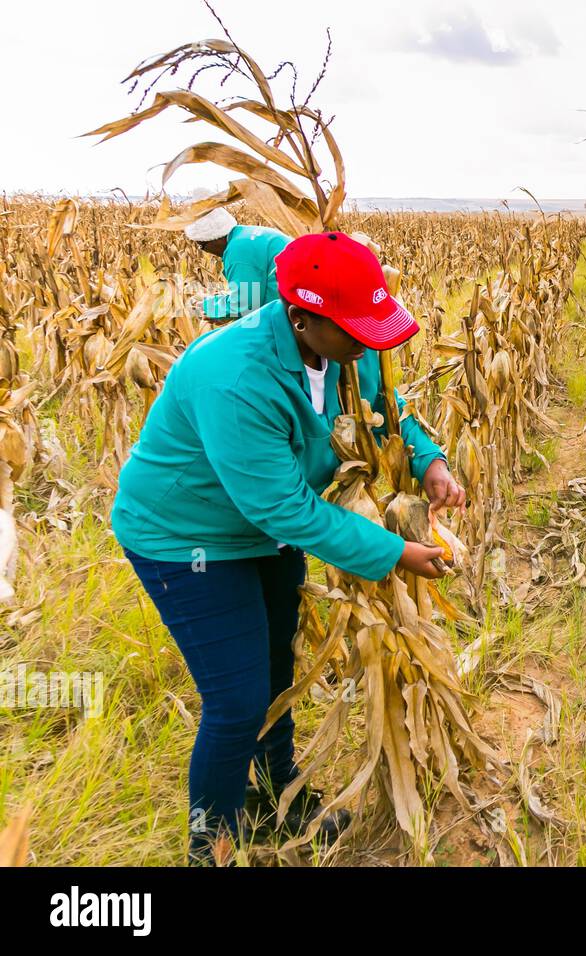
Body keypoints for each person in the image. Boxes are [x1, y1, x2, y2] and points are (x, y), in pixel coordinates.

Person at [111, 231, 465, 865]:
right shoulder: (236, 377)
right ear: (301, 317)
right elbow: (285, 509)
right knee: (237, 700)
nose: (368, 343)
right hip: (185, 538)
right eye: (355, 329)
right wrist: (394, 553)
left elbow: (386, 410)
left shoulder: (339, 351)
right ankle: (210, 841)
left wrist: (428, 459)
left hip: (261, 530)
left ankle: (279, 798)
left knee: (278, 667)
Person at [186, 208, 291, 322]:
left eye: (202, 246)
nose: (205, 251)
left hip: (291, 311)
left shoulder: (238, 251)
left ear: (213, 239)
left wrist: (208, 307)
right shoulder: (245, 234)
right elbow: (251, 293)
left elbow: (246, 306)